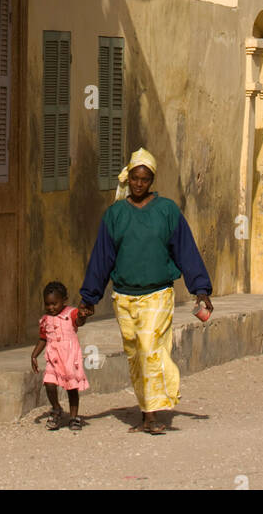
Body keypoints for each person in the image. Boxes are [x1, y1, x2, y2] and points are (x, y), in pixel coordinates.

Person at [77, 147, 212, 435]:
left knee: (150, 349)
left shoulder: (166, 211)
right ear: (129, 179)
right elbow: (102, 259)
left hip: (158, 294)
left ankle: (155, 414)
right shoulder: (115, 214)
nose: (139, 184)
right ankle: (146, 410)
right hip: (124, 298)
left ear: (152, 180)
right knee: (136, 355)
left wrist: (200, 288)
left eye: (145, 179)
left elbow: (186, 251)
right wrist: (89, 300)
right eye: (136, 179)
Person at [31, 280, 90, 430]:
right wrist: (34, 355)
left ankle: (74, 417)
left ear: (64, 300)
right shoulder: (45, 320)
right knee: (49, 384)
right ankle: (56, 408)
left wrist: (83, 316)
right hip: (54, 357)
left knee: (71, 388)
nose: (51, 307)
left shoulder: (71, 313)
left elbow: (79, 321)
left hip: (69, 357)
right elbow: (43, 338)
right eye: (47, 304)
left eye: (54, 304)